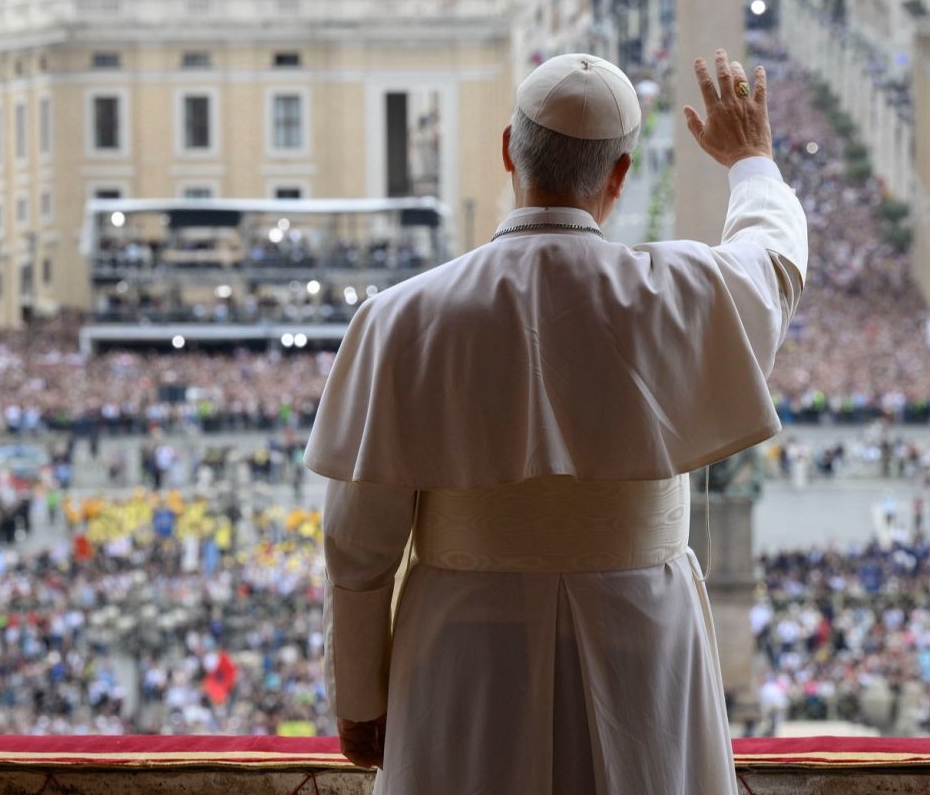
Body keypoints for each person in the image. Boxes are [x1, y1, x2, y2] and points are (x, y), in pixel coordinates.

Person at [308, 50, 806, 793]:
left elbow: (359, 543)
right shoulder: (682, 292)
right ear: (620, 175)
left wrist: (359, 697)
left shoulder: (399, 316)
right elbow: (774, 260)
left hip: (464, 645)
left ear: (509, 150)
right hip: (640, 636)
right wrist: (752, 163)